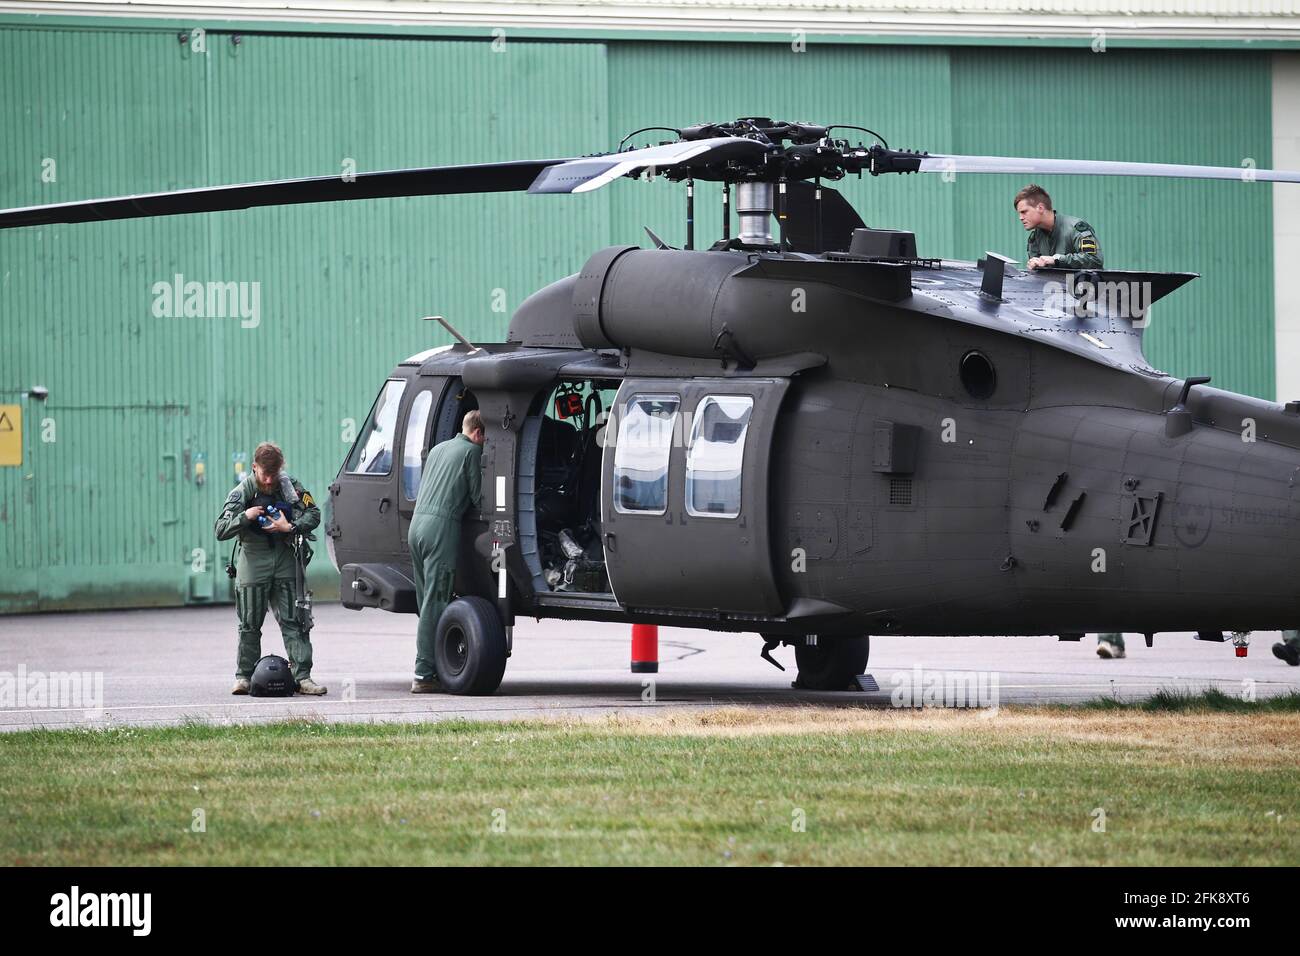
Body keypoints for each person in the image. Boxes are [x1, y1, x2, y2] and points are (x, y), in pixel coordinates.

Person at [215, 442, 326, 695]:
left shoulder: (290, 487)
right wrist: (247, 516)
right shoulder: (242, 492)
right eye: (264, 474)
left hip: (285, 558)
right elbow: (220, 529)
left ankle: (303, 677)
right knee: (249, 624)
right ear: (254, 467)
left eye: (274, 474)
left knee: (295, 621)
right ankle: (244, 677)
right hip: (253, 561)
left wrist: (290, 527)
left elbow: (315, 514)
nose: (268, 480)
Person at [408, 410, 485, 693]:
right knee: (436, 601)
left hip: (416, 526)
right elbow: (478, 497)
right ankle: (424, 673)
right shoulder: (472, 454)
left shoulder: (440, 449)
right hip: (441, 527)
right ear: (478, 433)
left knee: (425, 599)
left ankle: (431, 663)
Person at [1014, 184, 1104, 270]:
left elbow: (1095, 260)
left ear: (1040, 208)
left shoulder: (1076, 228)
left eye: (1024, 212)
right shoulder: (1035, 237)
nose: (1020, 218)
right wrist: (1035, 265)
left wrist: (1057, 259)